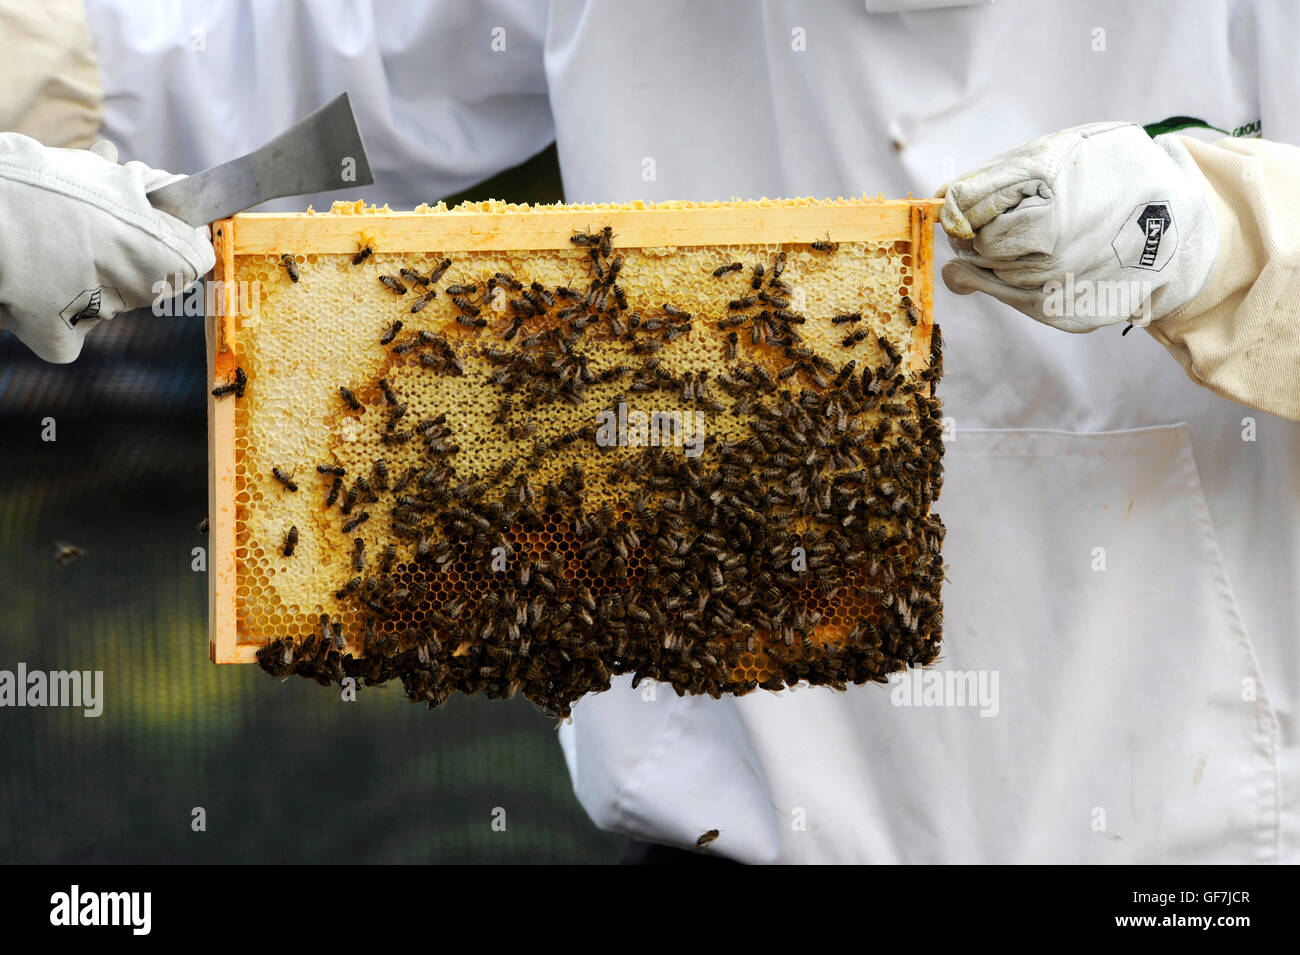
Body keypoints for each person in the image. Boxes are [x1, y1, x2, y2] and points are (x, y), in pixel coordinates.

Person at [3, 0, 1295, 863]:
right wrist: (41, 170)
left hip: (1198, 852)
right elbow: (289, 85)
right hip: (722, 831)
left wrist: (1228, 237)